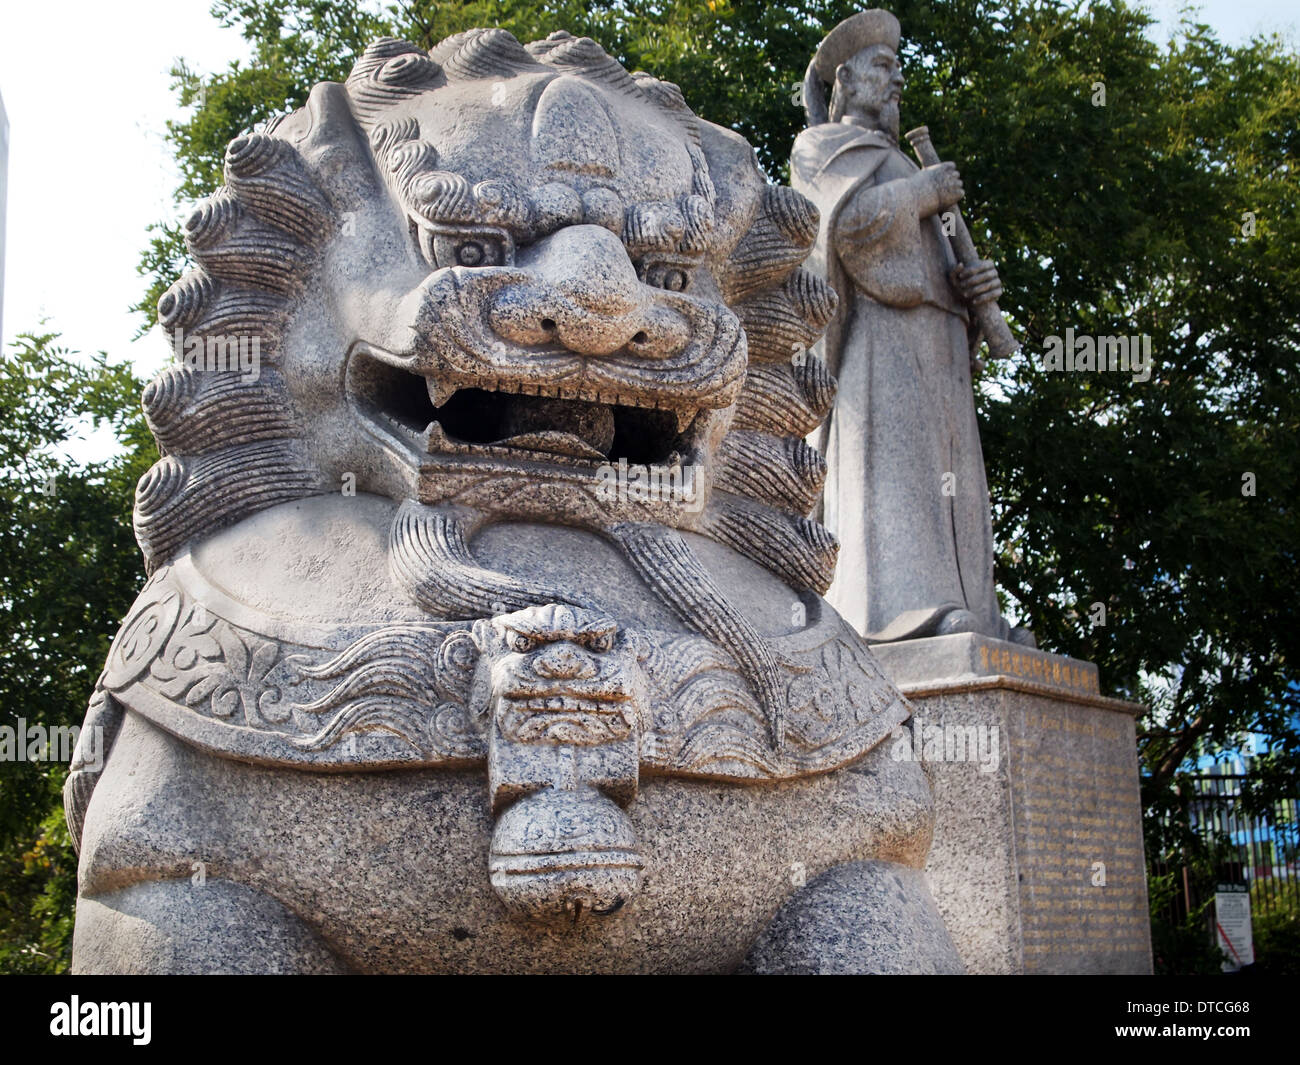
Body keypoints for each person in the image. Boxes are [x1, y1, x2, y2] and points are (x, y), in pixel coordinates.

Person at [791, 8, 1032, 645]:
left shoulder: (901, 159)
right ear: (845, 77)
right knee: (898, 471)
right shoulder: (822, 147)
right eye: (883, 66)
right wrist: (923, 194)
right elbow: (848, 231)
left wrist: (971, 294)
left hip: (944, 336)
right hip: (881, 337)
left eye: (900, 68)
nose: (897, 80)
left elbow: (942, 256)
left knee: (955, 478)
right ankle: (906, 610)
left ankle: (972, 607)